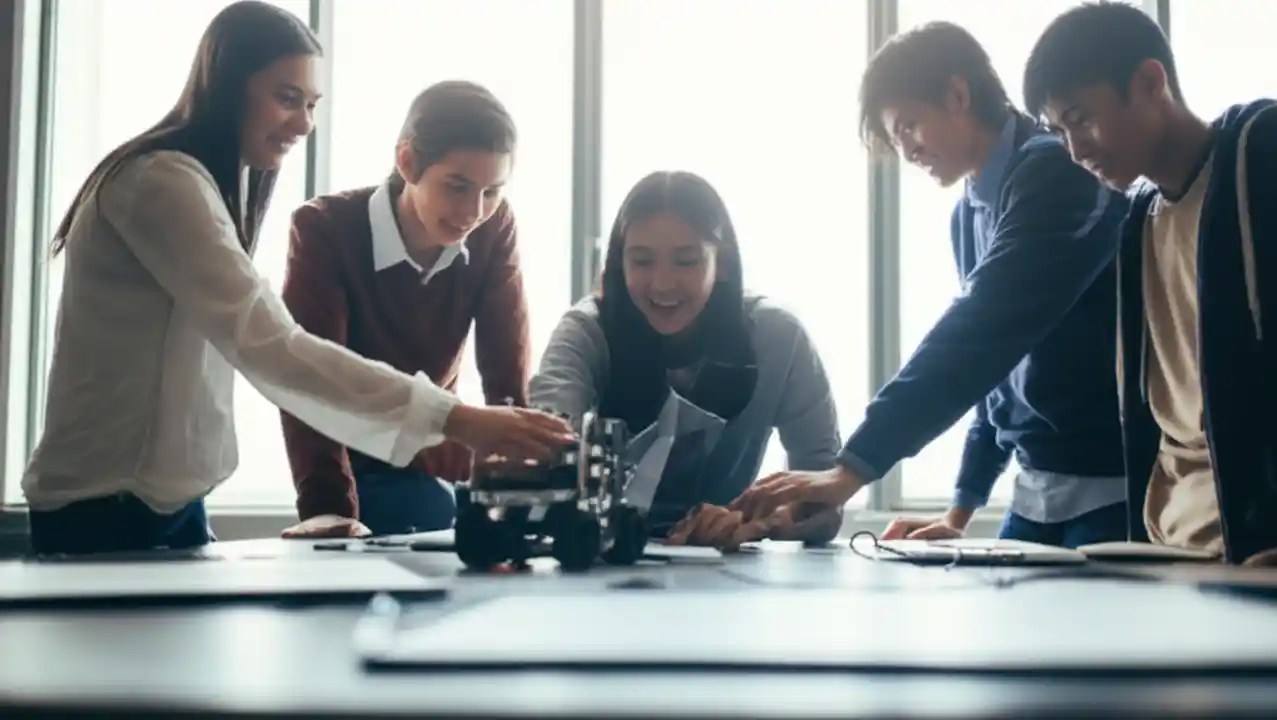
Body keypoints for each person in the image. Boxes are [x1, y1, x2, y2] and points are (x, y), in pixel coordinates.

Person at [21, 0, 572, 556]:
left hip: (170, 506)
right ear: (228, 84)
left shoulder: (207, 186)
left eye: (311, 104)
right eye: (287, 98)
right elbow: (276, 348)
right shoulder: (161, 184)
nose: (305, 123)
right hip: (104, 509)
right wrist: (456, 420)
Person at [732, 21, 1130, 549]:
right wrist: (960, 512)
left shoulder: (1057, 171)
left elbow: (980, 333)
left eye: (910, 127)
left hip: (1117, 495)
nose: (909, 151)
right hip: (1036, 497)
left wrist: (853, 467)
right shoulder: (969, 213)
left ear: (958, 94)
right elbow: (994, 376)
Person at [1020, 2, 1277, 565]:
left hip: (1252, 549)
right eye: (1059, 130)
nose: (1076, 149)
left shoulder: (1259, 150)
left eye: (1081, 117)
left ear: (1149, 81)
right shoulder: (1138, 219)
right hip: (1169, 547)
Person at [529, 170, 842, 548]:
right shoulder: (588, 330)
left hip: (726, 570)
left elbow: (826, 494)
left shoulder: (777, 337)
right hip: (604, 556)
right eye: (642, 262)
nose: (663, 284)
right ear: (617, 264)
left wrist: (758, 520)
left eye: (686, 261)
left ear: (721, 263)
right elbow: (544, 438)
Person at [279, 81, 531, 539]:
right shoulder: (324, 229)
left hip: (436, 453)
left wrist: (521, 479)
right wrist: (327, 508)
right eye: (458, 186)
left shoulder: (495, 228)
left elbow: (505, 364)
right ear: (408, 162)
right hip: (350, 458)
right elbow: (309, 378)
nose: (474, 211)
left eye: (492, 191)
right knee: (417, 507)